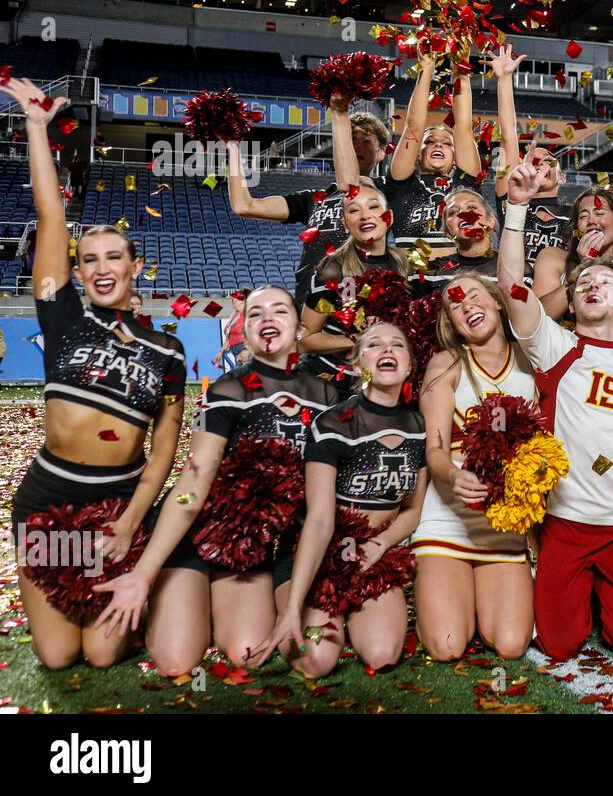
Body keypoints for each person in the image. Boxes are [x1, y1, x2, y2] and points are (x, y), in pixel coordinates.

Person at [2, 74, 186, 669]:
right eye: (89, 261)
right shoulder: (62, 318)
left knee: (103, 655)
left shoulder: (169, 350)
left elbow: (163, 450)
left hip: (114, 507)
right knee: (56, 657)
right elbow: (50, 212)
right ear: (77, 274)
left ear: (137, 266)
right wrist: (38, 128)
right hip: (47, 500)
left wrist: (133, 520)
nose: (101, 268)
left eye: (114, 257)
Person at [93, 286, 341, 673]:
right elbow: (194, 483)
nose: (267, 319)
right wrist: (145, 573)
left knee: (246, 650)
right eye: (255, 314)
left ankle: (202, 607)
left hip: (251, 546)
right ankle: (173, 594)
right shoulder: (225, 390)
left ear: (298, 329)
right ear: (245, 328)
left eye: (279, 311)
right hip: (196, 535)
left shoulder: (328, 397)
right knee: (176, 661)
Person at [497, 151, 613, 659]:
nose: (590, 286)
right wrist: (516, 210)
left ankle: (605, 600)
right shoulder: (558, 348)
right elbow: (512, 290)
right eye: (582, 282)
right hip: (566, 521)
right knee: (558, 644)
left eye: (603, 282)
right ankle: (575, 594)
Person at [254, 322, 428, 676]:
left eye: (397, 345)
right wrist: (293, 608)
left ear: (409, 364)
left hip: (372, 554)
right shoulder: (333, 423)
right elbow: (318, 520)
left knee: (383, 655)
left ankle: (349, 619)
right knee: (315, 662)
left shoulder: (417, 425)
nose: (387, 351)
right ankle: (301, 606)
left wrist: (381, 543)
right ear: (356, 363)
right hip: (317, 553)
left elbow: (411, 511)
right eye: (374, 345)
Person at [413, 275, 536, 660]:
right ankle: (433, 598)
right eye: (456, 305)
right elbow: (435, 450)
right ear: (452, 323)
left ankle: (476, 597)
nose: (467, 306)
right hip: (449, 517)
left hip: (505, 524)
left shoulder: (533, 359)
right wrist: (452, 475)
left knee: (512, 644)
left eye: (474, 295)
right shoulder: (445, 362)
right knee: (447, 646)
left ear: (498, 302)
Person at [227, 94, 384, 306]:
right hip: (309, 303)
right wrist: (232, 145)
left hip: (357, 302)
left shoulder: (386, 192)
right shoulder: (313, 199)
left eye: (365, 140)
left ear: (382, 152)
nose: (356, 146)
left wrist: (339, 114)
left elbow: (351, 187)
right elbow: (244, 206)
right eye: (350, 139)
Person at [299, 186, 412, 382]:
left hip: (387, 379)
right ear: (345, 223)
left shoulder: (405, 265)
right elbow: (306, 340)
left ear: (389, 217)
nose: (364, 216)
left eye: (373, 207)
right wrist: (359, 339)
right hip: (336, 381)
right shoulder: (332, 270)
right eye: (353, 210)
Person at [383, 48, 484, 255]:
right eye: (430, 142)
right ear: (417, 155)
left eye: (447, 143)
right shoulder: (401, 184)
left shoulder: (465, 183)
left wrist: (461, 69)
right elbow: (414, 127)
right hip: (412, 282)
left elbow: (463, 127)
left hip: (458, 281)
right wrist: (427, 68)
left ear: (456, 157)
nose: (438, 145)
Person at [494, 46, 566, 270]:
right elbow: (508, 136)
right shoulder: (511, 199)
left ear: (561, 178)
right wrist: (504, 80)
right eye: (534, 161)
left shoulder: (577, 214)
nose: (541, 163)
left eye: (549, 160)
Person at [531, 187, 613, 321]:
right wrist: (584, 267)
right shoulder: (553, 258)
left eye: (599, 213)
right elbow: (536, 319)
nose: (591, 221)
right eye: (583, 216)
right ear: (576, 229)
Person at [421, 187, 500, 290]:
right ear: (448, 232)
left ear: (491, 221)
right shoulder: (431, 273)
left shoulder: (513, 269)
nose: (463, 214)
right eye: (453, 212)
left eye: (471, 207)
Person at [213, 289, 249, 370]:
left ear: (243, 301)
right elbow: (229, 337)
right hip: (237, 352)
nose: (231, 301)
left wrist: (247, 350)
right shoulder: (234, 315)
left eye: (234, 300)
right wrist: (221, 352)